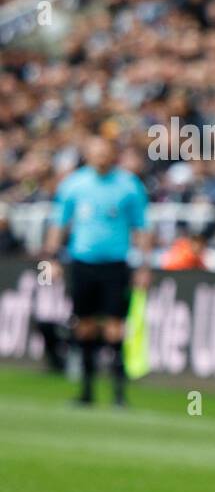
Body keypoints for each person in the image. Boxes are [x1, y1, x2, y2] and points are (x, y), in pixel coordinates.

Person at [44, 137, 149, 407]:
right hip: (82, 262)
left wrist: (144, 265)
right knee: (84, 325)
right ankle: (87, 392)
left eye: (105, 153)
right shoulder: (75, 184)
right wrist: (51, 260)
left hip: (115, 264)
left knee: (115, 327)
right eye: (96, 152)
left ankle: (118, 394)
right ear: (88, 155)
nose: (101, 157)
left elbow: (142, 227)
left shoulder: (128, 185)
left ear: (113, 155)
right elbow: (59, 223)